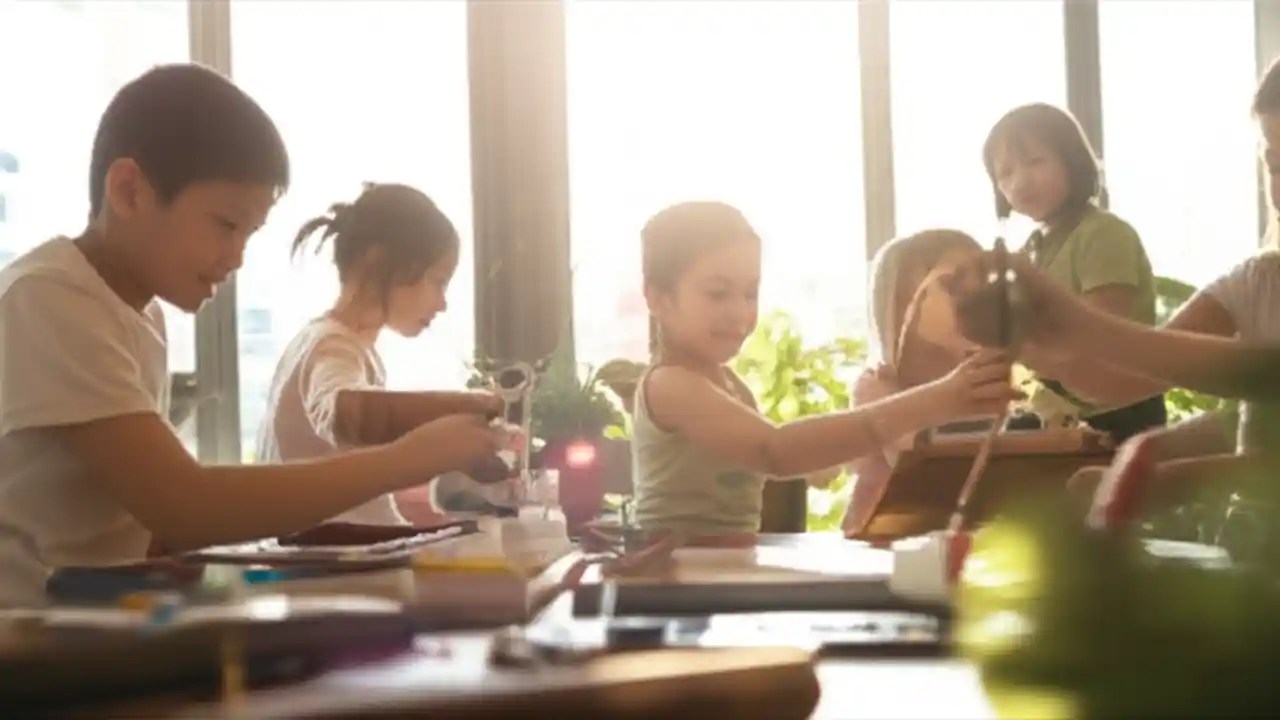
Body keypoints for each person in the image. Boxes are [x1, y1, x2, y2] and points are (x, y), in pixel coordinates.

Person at [0, 64, 504, 607]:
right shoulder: (48, 298)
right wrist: (410, 457)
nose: (237, 257)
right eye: (225, 224)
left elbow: (142, 520)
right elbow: (182, 504)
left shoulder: (137, 314)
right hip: (32, 644)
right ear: (129, 191)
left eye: (249, 233)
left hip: (93, 622)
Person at [631, 201, 1021, 543]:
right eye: (718, 293)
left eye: (750, 293)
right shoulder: (671, 384)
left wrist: (826, 461)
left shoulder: (729, 385)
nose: (739, 311)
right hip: (672, 570)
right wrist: (938, 399)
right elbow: (775, 450)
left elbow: (769, 459)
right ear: (658, 298)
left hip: (717, 564)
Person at [256, 183, 502, 526]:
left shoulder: (333, 343)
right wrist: (468, 409)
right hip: (329, 570)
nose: (443, 303)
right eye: (439, 281)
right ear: (379, 262)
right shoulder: (332, 346)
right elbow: (342, 412)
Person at [984, 103, 1165, 441]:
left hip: (1119, 411)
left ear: (1073, 160)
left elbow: (1102, 333)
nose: (1020, 181)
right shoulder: (1031, 249)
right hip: (1060, 415)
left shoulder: (1104, 233)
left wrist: (1021, 345)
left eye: (1035, 162)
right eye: (1005, 173)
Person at [842, 229, 985, 533]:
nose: (975, 302)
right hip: (880, 548)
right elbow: (921, 464)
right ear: (904, 305)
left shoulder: (980, 381)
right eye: (951, 287)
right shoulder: (877, 387)